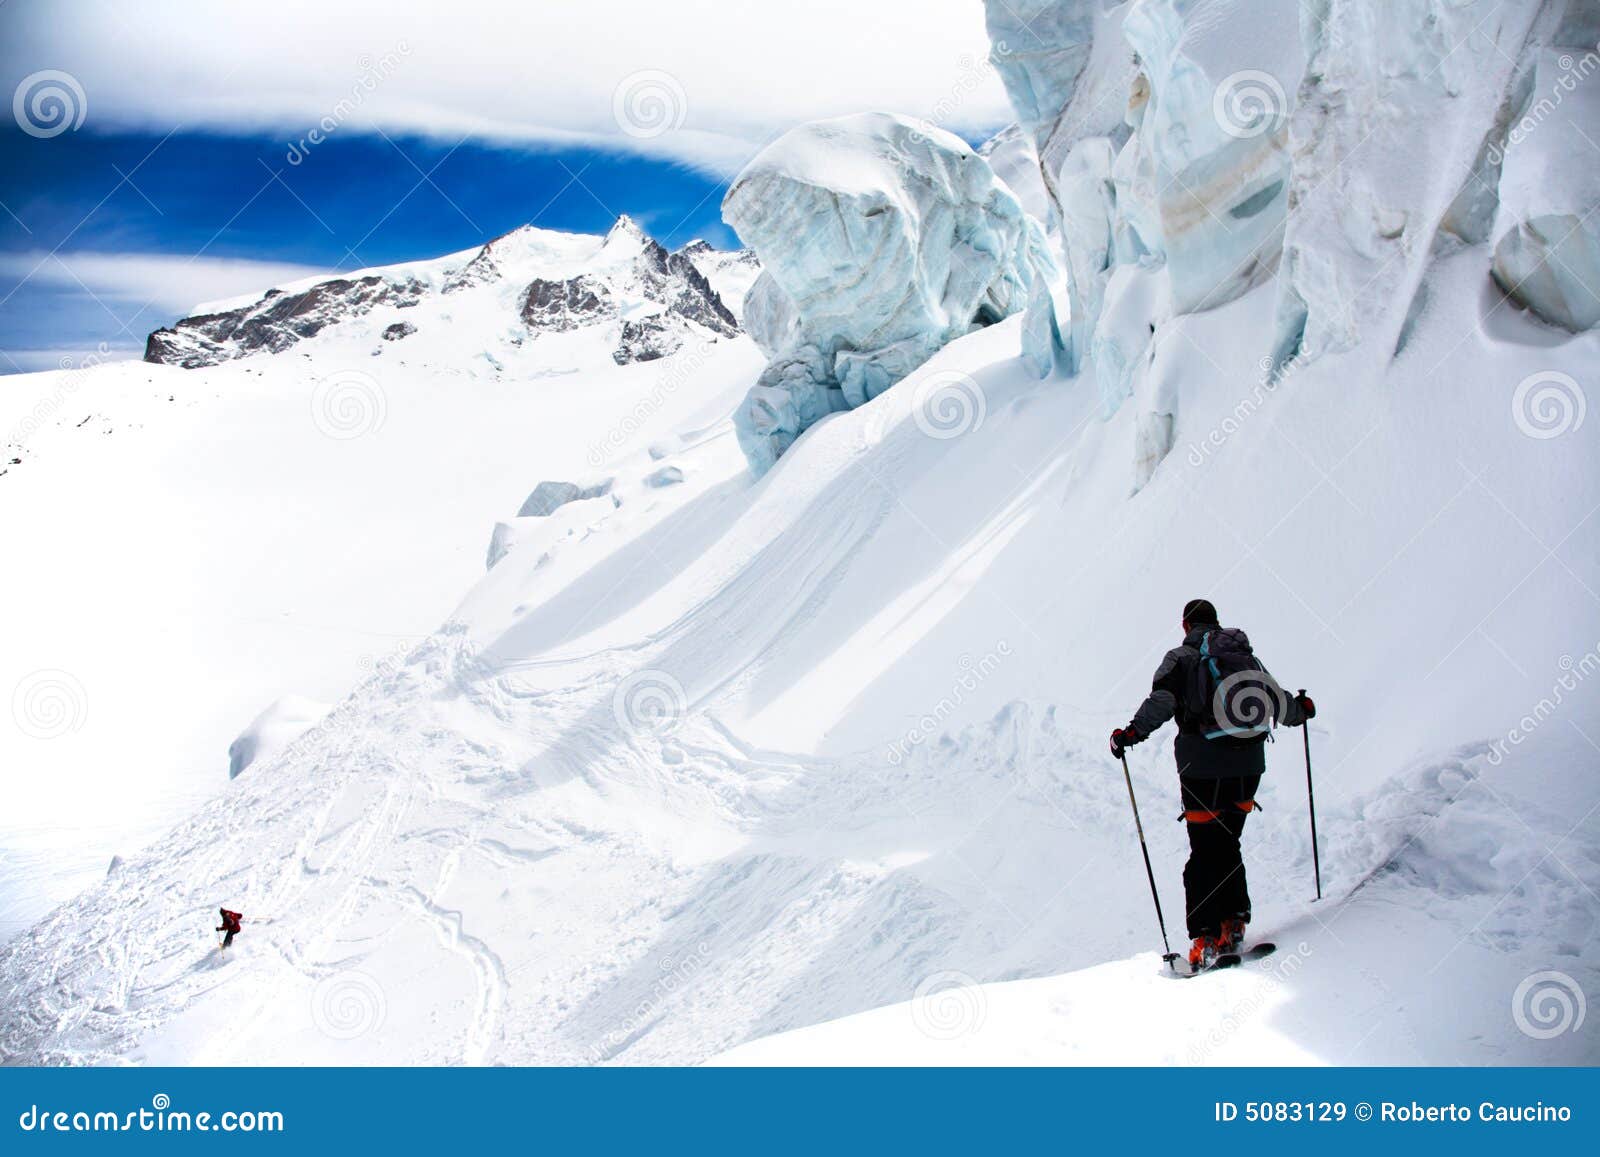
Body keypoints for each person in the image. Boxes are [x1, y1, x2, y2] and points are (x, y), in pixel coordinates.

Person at [1109, 598, 1314, 972]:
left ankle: (1204, 938)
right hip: (1248, 768)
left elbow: (1163, 700)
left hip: (1202, 770)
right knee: (1227, 842)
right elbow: (1277, 700)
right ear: (1216, 623)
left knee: (1204, 851)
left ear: (1185, 626)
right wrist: (1302, 710)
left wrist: (1129, 734)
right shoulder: (1243, 655)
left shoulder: (1181, 658)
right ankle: (1233, 924)